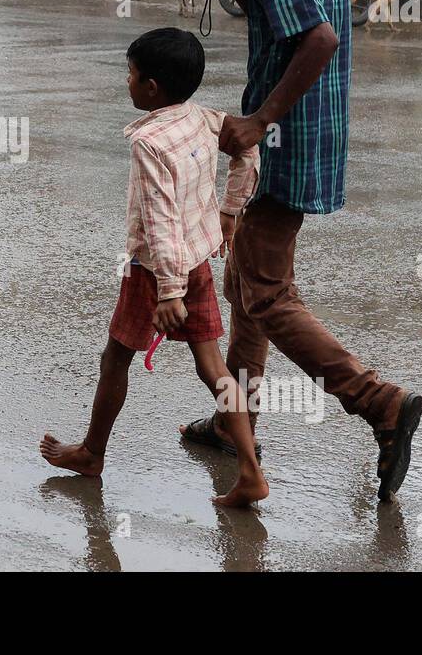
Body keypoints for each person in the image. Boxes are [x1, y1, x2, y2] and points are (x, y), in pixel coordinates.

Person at [188, 0, 422, 503]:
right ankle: (238, 423)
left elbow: (317, 38)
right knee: (245, 288)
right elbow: (280, 15)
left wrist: (261, 120)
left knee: (263, 291)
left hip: (284, 132)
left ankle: (376, 400)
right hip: (312, 126)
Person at [40, 27, 267, 507]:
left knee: (115, 358)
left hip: (154, 271)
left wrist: (168, 292)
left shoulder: (149, 143)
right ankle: (249, 470)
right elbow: (249, 148)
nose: (126, 81)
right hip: (199, 259)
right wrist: (230, 211)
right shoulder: (202, 118)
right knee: (215, 368)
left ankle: (91, 454)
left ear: (151, 88)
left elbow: (160, 221)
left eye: (130, 73)